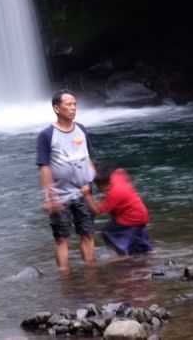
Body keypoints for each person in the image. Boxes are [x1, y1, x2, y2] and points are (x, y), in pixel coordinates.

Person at [36, 89, 97, 271]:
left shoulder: (81, 129)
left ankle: (91, 270)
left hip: (83, 191)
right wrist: (49, 197)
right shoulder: (46, 135)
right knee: (61, 237)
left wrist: (98, 184)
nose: (73, 108)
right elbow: (44, 166)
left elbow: (90, 158)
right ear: (57, 108)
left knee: (87, 232)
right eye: (68, 105)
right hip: (60, 195)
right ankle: (65, 276)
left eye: (74, 104)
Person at [80, 164, 152, 257]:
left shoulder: (114, 193)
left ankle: (120, 256)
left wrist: (87, 195)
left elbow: (97, 211)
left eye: (98, 185)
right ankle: (149, 256)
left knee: (109, 233)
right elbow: (121, 171)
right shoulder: (117, 175)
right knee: (140, 242)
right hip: (142, 214)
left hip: (130, 219)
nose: (97, 188)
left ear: (105, 184)